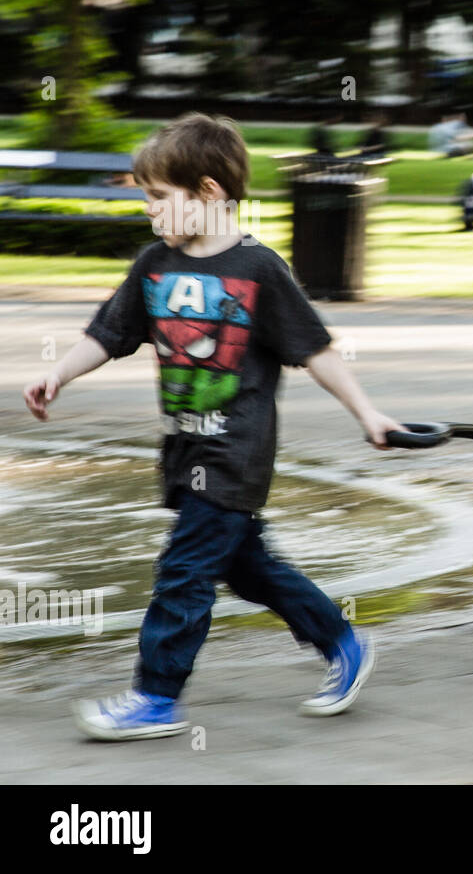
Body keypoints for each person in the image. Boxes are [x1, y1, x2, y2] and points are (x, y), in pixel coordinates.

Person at [22, 113, 408, 741]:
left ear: (207, 193)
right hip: (184, 450)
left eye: (158, 198)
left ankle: (156, 696)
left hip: (235, 455)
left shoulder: (258, 271)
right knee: (249, 568)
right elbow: (108, 334)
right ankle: (343, 641)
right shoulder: (154, 264)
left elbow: (315, 349)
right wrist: (59, 375)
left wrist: (368, 413)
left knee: (183, 572)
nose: (148, 211)